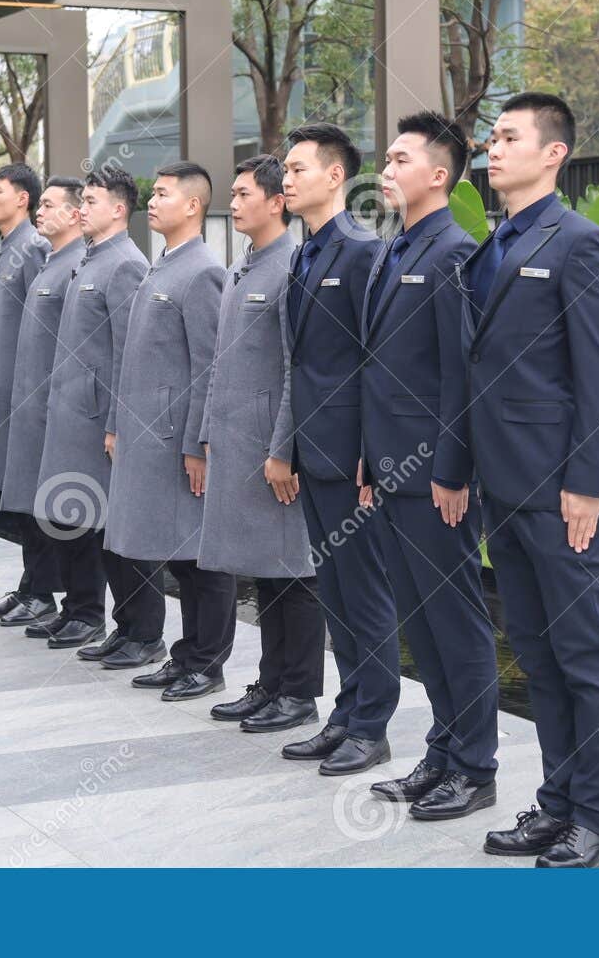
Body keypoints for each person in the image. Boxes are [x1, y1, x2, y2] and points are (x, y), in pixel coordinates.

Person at [467, 93, 599, 868]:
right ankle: (557, 803)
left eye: (508, 138)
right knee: (535, 652)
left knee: (584, 656)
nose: (492, 149)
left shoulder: (579, 243)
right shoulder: (497, 242)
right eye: (492, 138)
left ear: (553, 153)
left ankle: (598, 821)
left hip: (561, 491)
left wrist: (588, 484)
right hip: (505, 487)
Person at [360, 110, 502, 822]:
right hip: (387, 468)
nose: (385, 169)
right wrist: (367, 458)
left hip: (434, 478)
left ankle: (476, 766)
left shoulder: (453, 251)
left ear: (439, 174)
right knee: (419, 621)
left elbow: (462, 373)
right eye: (384, 158)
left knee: (455, 621)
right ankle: (442, 751)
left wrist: (452, 469)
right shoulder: (397, 247)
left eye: (399, 158)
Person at [276, 122, 398, 774]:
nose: (286, 179)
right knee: (336, 590)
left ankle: (373, 723)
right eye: (284, 170)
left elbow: (379, 359)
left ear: (334, 175)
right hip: (314, 451)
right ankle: (346, 712)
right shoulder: (307, 251)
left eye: (297, 169)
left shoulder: (360, 250)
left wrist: (372, 453)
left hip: (352, 458)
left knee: (365, 590)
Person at [199, 155, 323, 733]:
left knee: (292, 572)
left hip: (271, 451)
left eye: (245, 193)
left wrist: (283, 449)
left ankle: (298, 692)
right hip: (235, 444)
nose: (236, 201)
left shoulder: (291, 268)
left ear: (277, 203)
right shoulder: (242, 267)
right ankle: (271, 684)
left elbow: (300, 369)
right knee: (264, 571)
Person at [102, 162, 227, 698]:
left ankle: (207, 661)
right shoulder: (160, 267)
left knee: (199, 556)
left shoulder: (202, 271)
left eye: (161, 194)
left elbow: (210, 364)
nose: (150, 203)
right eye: (150, 193)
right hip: (147, 436)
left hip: (178, 439)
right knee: (177, 551)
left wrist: (198, 444)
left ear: (193, 205)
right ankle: (185, 655)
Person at [35, 167, 149, 651]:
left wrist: (115, 422)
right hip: (73, 412)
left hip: (97, 416)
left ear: (119, 209)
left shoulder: (124, 263)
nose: (81, 208)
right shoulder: (92, 258)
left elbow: (130, 351)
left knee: (102, 525)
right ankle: (82, 610)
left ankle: (131, 629)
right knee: (75, 518)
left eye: (92, 200)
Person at [0, 177, 88, 642]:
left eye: (50, 205)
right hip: (35, 401)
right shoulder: (55, 260)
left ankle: (70, 604)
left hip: (65, 409)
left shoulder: (71, 264)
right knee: (38, 503)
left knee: (66, 513)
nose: (41, 213)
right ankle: (52, 596)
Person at [0, 164, 56, 629]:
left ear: (22, 199)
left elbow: (42, 330)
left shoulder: (34, 249)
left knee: (28, 489)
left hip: (26, 392)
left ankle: (42, 592)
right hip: (2, 389)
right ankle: (30, 585)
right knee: (13, 487)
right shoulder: (4, 250)